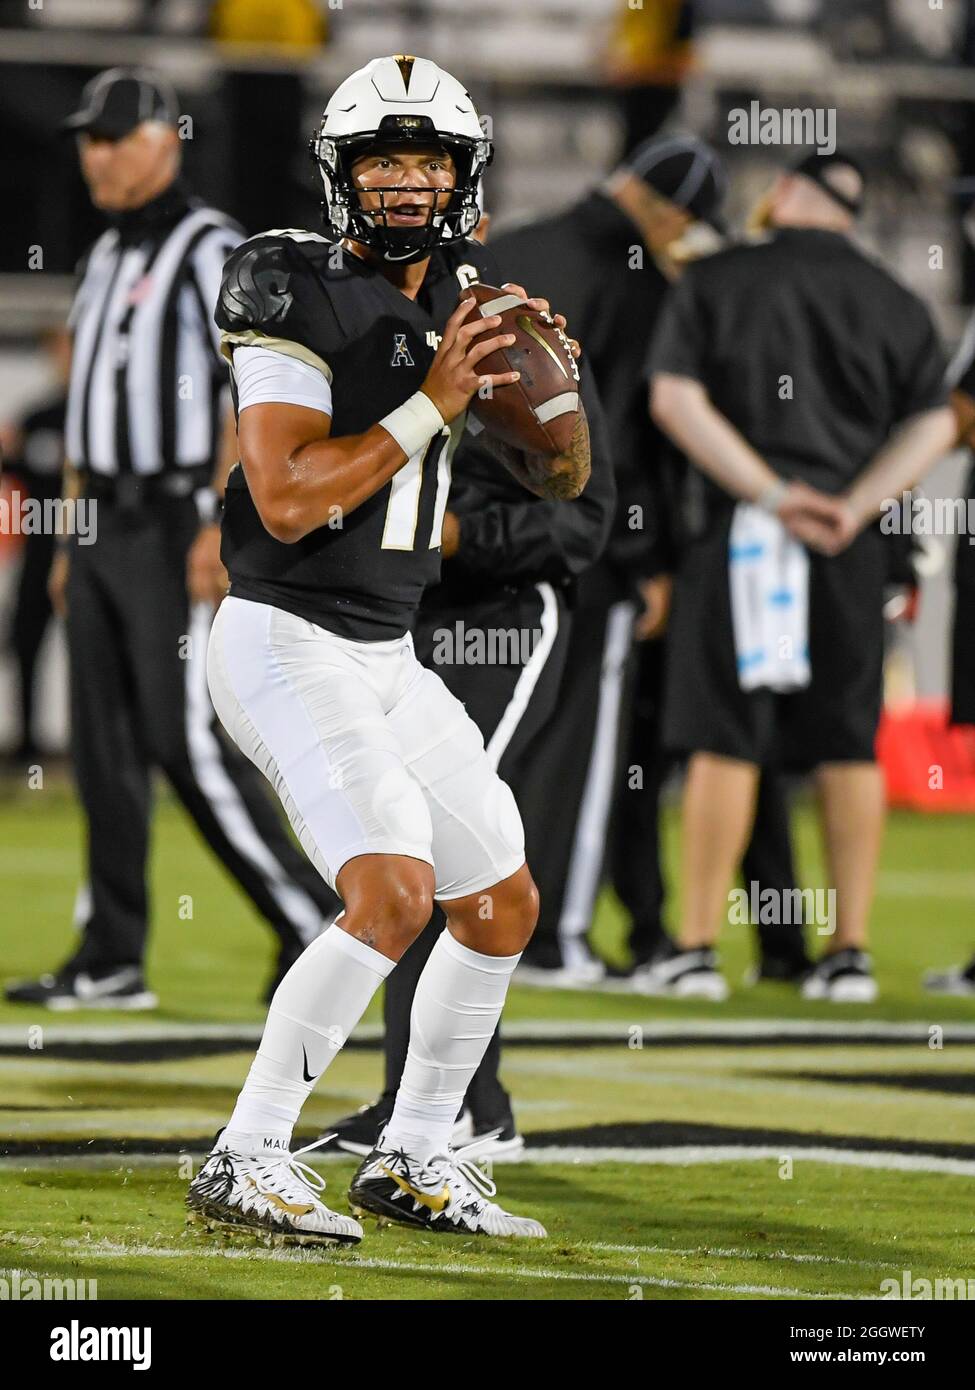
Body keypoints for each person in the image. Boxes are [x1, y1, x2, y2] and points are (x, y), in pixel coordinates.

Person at [185, 55, 590, 1245]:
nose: (406, 183)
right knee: (395, 889)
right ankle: (247, 1150)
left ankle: (414, 1151)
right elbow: (288, 494)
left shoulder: (472, 291)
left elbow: (564, 477)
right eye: (382, 161)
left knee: (501, 900)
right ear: (340, 174)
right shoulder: (285, 285)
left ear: (463, 176)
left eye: (427, 161)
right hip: (284, 635)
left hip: (387, 650)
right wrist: (436, 403)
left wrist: (551, 400)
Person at [3, 67, 338, 1012]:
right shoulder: (107, 253)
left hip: (170, 522)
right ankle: (111, 954)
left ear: (165, 140)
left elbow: (255, 388)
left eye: (113, 137)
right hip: (103, 519)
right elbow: (87, 411)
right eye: (88, 138)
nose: (94, 154)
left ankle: (312, 924)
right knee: (103, 749)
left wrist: (215, 518)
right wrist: (69, 541)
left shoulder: (212, 247)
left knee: (186, 741)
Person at [320, 212, 616, 1158]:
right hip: (388, 619)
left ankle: (447, 1106)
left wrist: (457, 540)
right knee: (393, 846)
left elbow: (582, 519)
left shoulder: (509, 326)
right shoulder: (348, 321)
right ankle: (451, 1100)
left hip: (496, 619)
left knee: (439, 848)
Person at [647, 150, 956, 1002]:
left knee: (724, 739)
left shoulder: (719, 280)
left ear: (785, 194)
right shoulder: (893, 298)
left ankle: (694, 948)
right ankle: (847, 951)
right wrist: (851, 507)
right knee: (846, 743)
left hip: (740, 532)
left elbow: (674, 402)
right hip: (846, 548)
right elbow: (935, 426)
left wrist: (774, 493)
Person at [0, 327, 70, 765]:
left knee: (97, 649)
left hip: (86, 546)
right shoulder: (37, 417)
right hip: (39, 548)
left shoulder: (100, 418)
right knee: (25, 642)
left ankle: (99, 745)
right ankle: (26, 745)